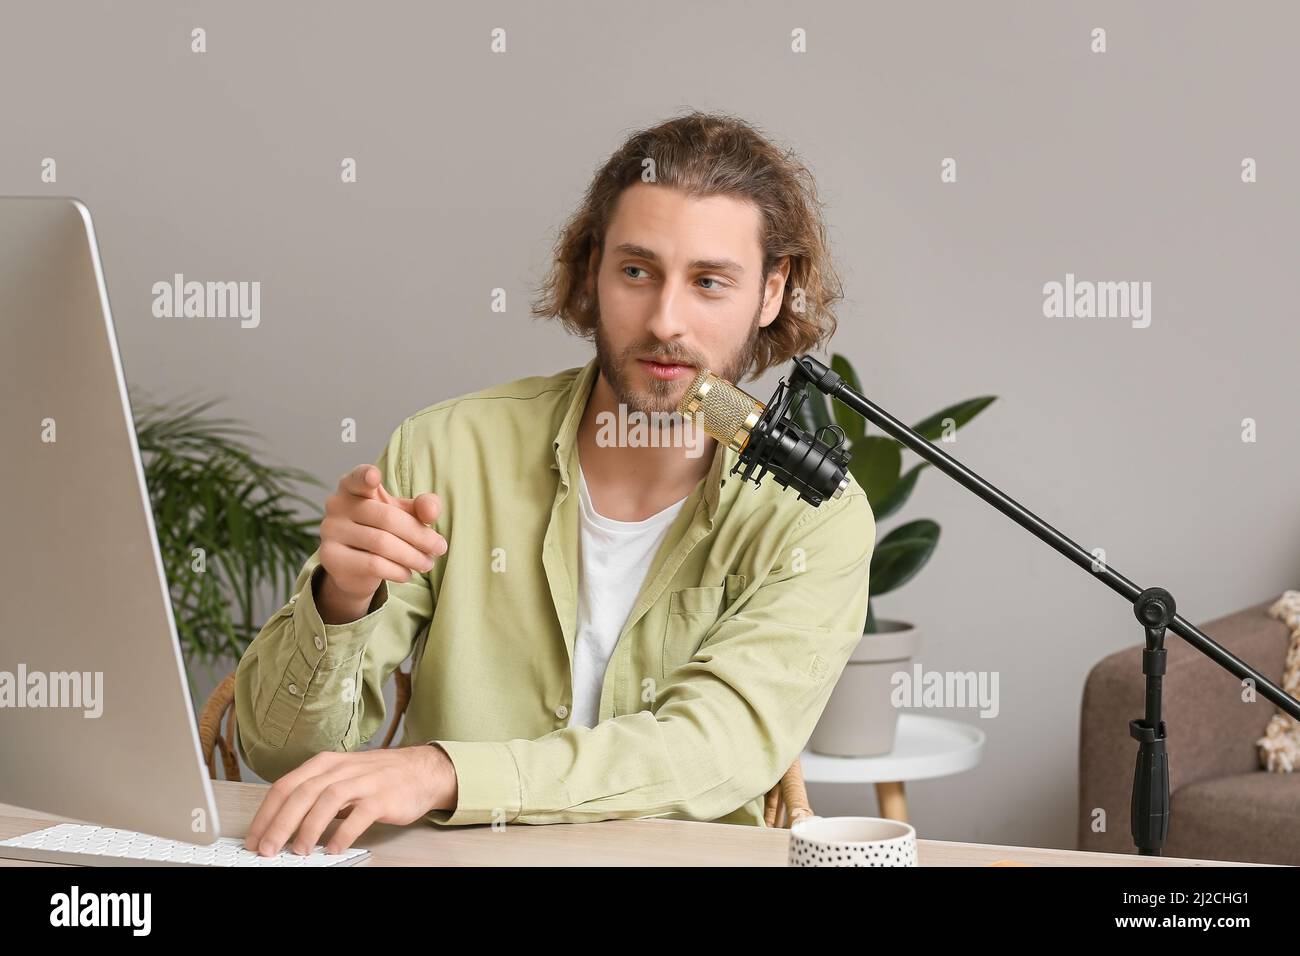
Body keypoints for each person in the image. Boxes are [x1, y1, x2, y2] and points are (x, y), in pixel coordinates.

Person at [235, 110, 876, 857]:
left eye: (709, 282)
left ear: (771, 294)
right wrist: (339, 600)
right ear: (591, 270)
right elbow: (277, 754)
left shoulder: (812, 518)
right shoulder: (447, 448)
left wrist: (443, 771)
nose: (666, 322)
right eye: (637, 272)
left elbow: (711, 751)